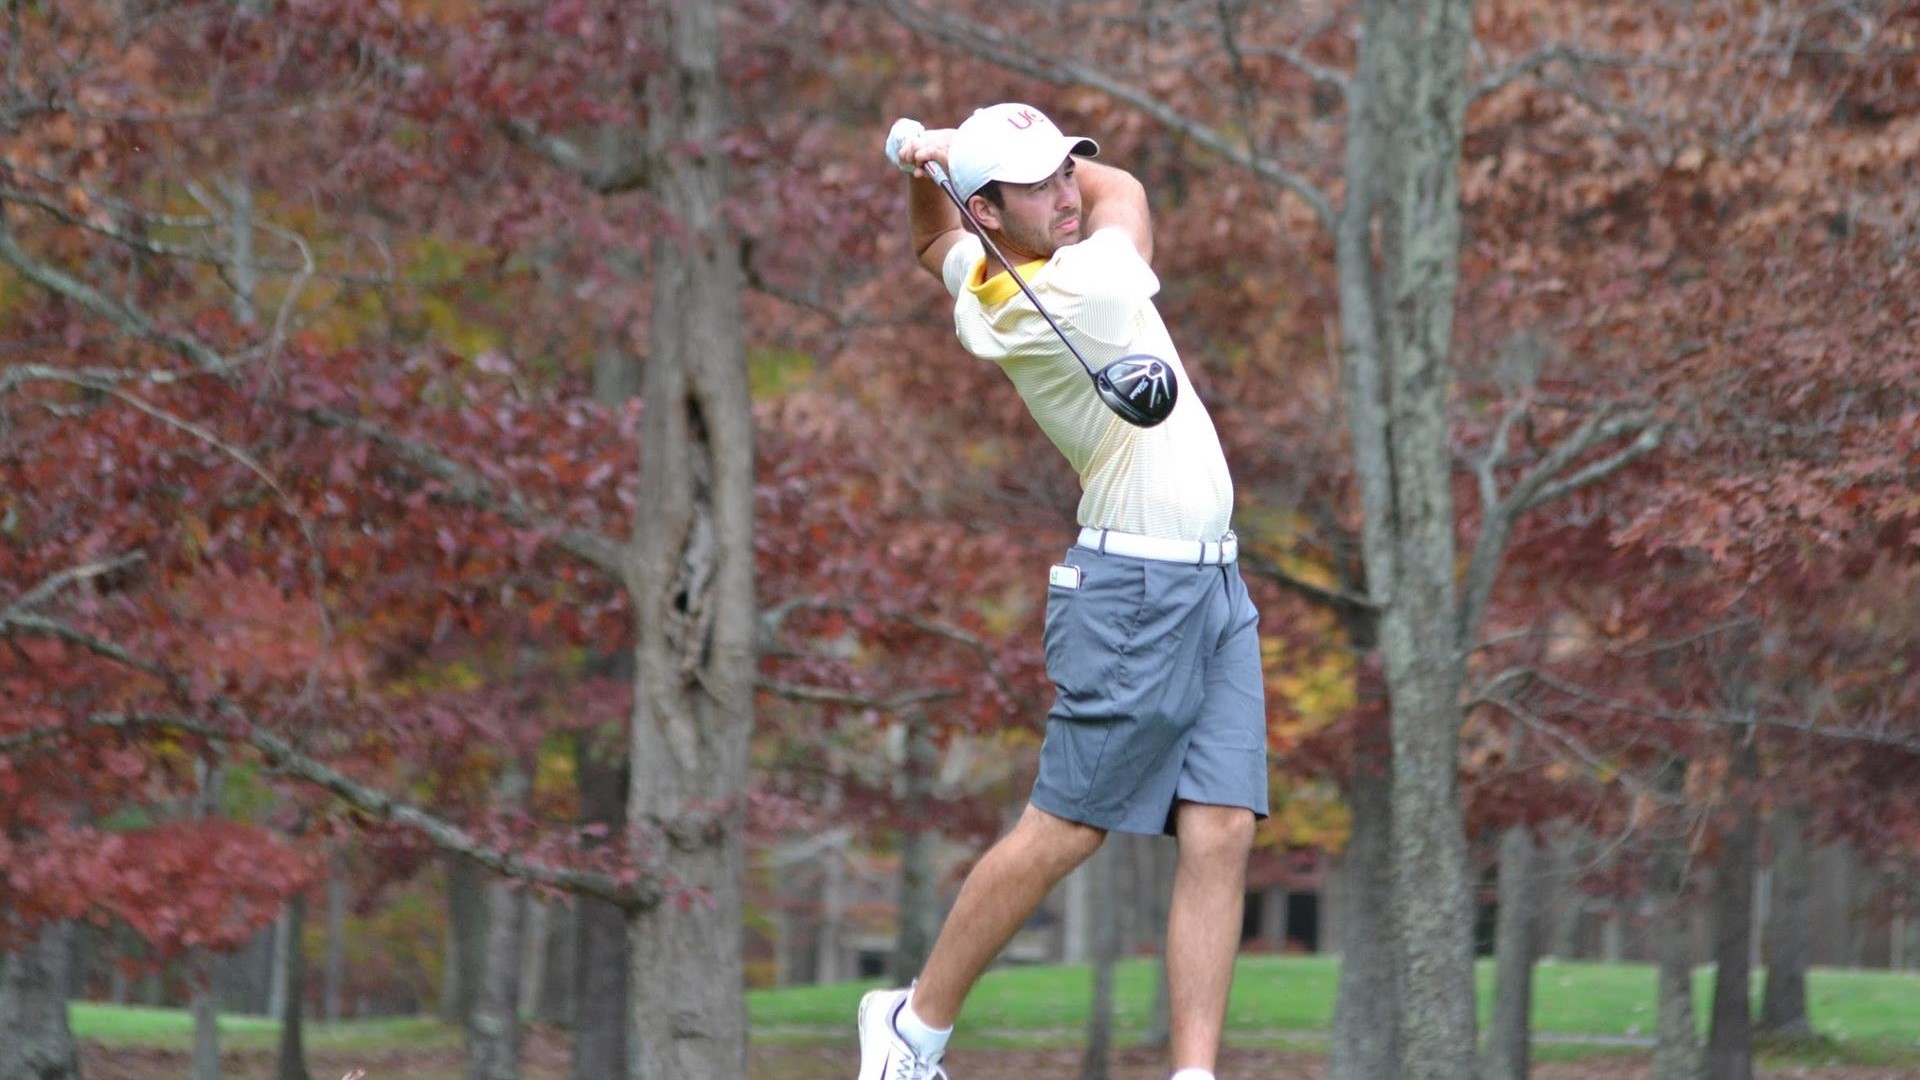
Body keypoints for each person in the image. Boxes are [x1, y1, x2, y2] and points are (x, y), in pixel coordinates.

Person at [858, 103, 1269, 1080]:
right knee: (1069, 826)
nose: (1066, 193)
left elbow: (934, 245)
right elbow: (1123, 189)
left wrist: (929, 165)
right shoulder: (1088, 283)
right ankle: (912, 1029)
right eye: (1040, 184)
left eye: (1062, 172)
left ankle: (1194, 1074)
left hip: (1215, 585)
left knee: (1222, 828)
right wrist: (956, 154)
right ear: (994, 211)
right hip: (1136, 591)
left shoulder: (996, 282)